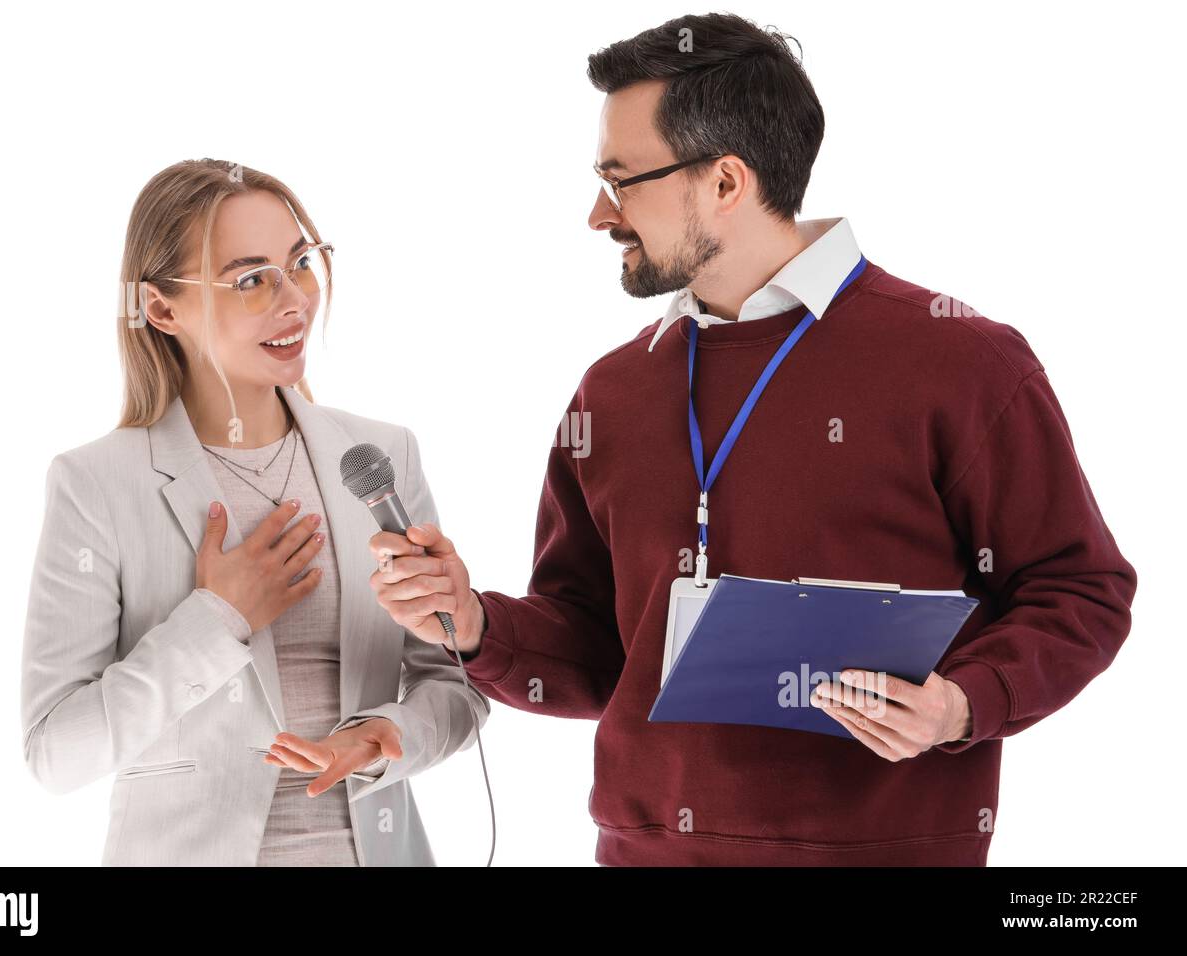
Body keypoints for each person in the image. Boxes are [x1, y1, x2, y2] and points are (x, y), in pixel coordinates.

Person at [366, 14, 1136, 865]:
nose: (597, 214)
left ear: (726, 182)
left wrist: (960, 704)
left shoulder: (961, 360)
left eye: (621, 181)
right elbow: (594, 650)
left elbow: (1080, 591)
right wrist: (473, 623)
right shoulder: (613, 391)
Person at [20, 158, 487, 865]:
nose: (294, 298)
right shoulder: (97, 483)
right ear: (162, 309)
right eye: (250, 280)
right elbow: (55, 752)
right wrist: (217, 619)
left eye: (301, 262)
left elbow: (454, 687)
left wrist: (379, 737)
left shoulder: (380, 455)